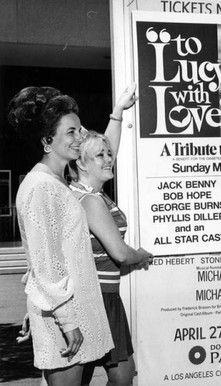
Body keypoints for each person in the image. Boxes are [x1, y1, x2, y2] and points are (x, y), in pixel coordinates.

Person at [9, 86, 114, 385]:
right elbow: (45, 263)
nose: (80, 138)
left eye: (80, 130)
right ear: (47, 140)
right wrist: (66, 320)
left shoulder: (57, 182)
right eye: (71, 132)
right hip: (64, 317)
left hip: (67, 309)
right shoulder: (41, 186)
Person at [67, 85, 153, 386]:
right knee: (111, 376)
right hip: (95, 297)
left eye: (109, 154)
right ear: (81, 163)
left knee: (121, 375)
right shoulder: (88, 200)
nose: (109, 159)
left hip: (107, 297)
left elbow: (106, 147)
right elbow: (120, 253)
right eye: (100, 156)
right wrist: (142, 255)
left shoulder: (92, 192)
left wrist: (117, 112)